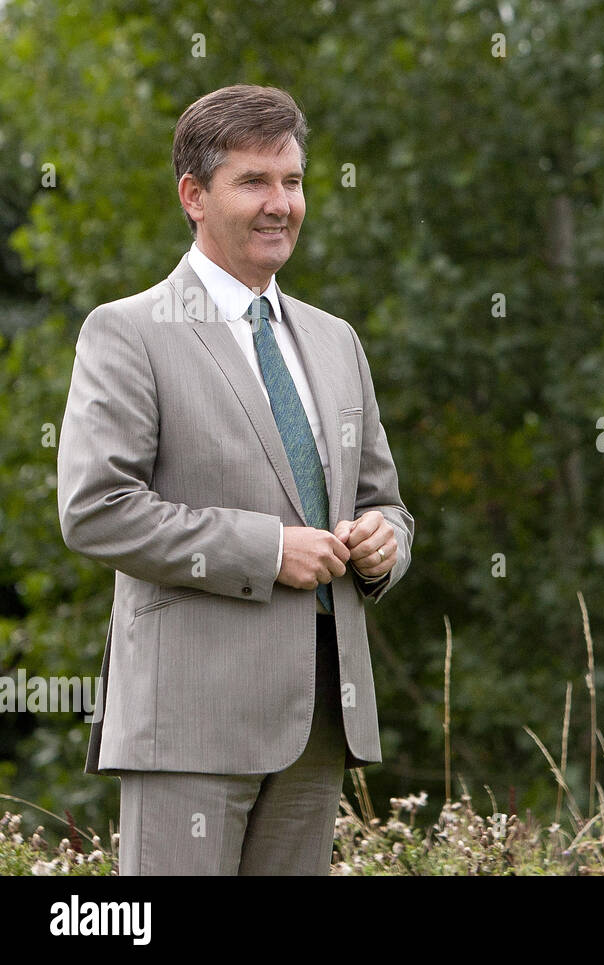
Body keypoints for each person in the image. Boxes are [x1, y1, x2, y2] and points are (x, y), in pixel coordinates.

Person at [56, 84, 414, 875]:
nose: (279, 203)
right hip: (189, 719)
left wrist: (387, 541)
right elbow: (96, 509)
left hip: (321, 717)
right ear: (194, 195)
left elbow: (383, 499)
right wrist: (265, 549)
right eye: (253, 181)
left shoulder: (335, 340)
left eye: (291, 181)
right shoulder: (127, 331)